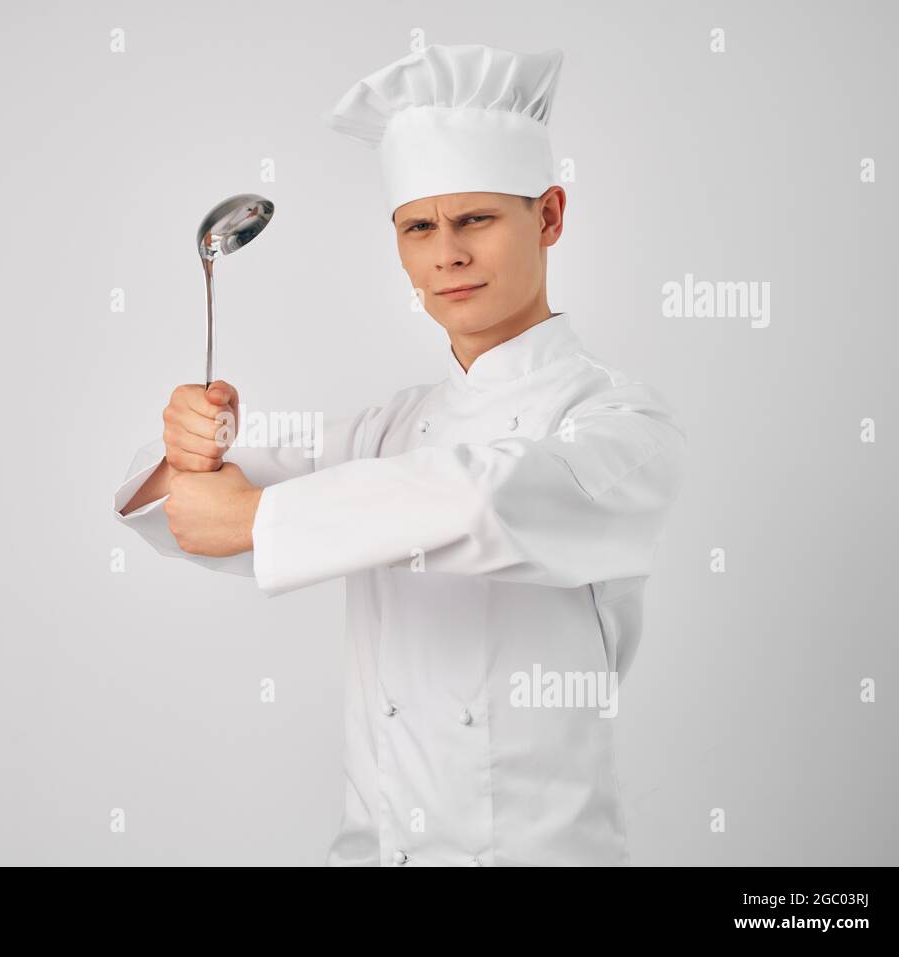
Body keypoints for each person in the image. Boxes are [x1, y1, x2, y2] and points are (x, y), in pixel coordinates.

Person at [111, 43, 687, 866]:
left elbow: (486, 500)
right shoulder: (389, 430)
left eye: (476, 219)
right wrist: (189, 448)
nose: (447, 254)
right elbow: (181, 507)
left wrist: (257, 515)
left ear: (550, 217)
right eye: (419, 227)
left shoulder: (621, 423)